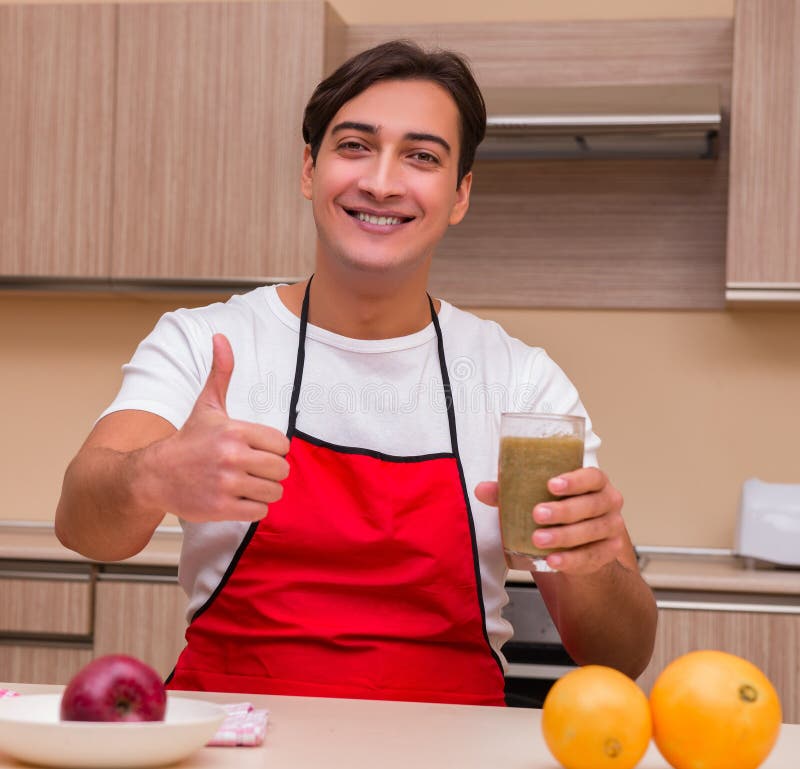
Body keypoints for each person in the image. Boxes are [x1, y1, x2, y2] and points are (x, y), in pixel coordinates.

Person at [55, 40, 657, 706]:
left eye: (422, 156)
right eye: (354, 146)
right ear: (309, 169)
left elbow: (619, 653)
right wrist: (154, 474)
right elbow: (81, 524)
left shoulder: (520, 381)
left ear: (460, 194)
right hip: (231, 738)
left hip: (452, 746)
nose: (381, 182)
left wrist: (589, 560)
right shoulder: (207, 343)